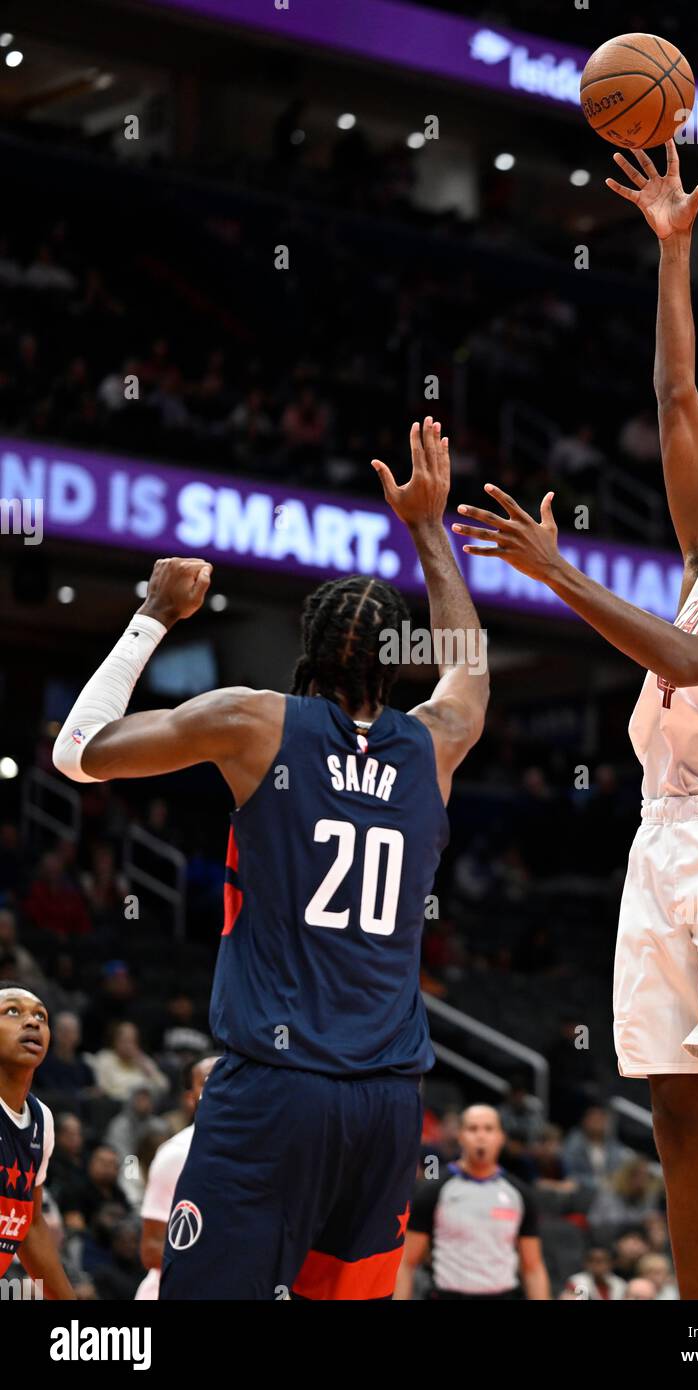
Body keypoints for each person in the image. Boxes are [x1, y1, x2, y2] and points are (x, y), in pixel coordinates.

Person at [451, 141, 698, 1301]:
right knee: (672, 1107)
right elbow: (676, 397)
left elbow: (676, 655)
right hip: (656, 834)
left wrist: (556, 576)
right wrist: (670, 251)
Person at [53, 417, 488, 1300]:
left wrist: (153, 614)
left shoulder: (257, 721)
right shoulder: (436, 744)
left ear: (307, 648)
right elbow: (468, 667)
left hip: (276, 1095)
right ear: (398, 662)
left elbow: (77, 749)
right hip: (388, 1106)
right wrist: (429, 529)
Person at [395, 1105, 550, 1300]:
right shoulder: (433, 1190)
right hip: (448, 1294)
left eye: (488, 1129)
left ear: (501, 1137)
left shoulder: (519, 1193)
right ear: (460, 1136)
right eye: (473, 1129)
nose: (481, 1136)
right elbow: (406, 1263)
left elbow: (533, 1268)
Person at [0, 982, 76, 1297]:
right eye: (12, 1011)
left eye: (41, 1017)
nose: (32, 1022)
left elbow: (29, 1225)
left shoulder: (41, 1118)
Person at [136, 1055, 219, 1300]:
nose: (220, 1085)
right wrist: (219, 1261)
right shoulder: (176, 1154)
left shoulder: (260, 1152)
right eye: (207, 1081)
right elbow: (150, 1249)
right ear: (190, 1098)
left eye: (228, 1077)